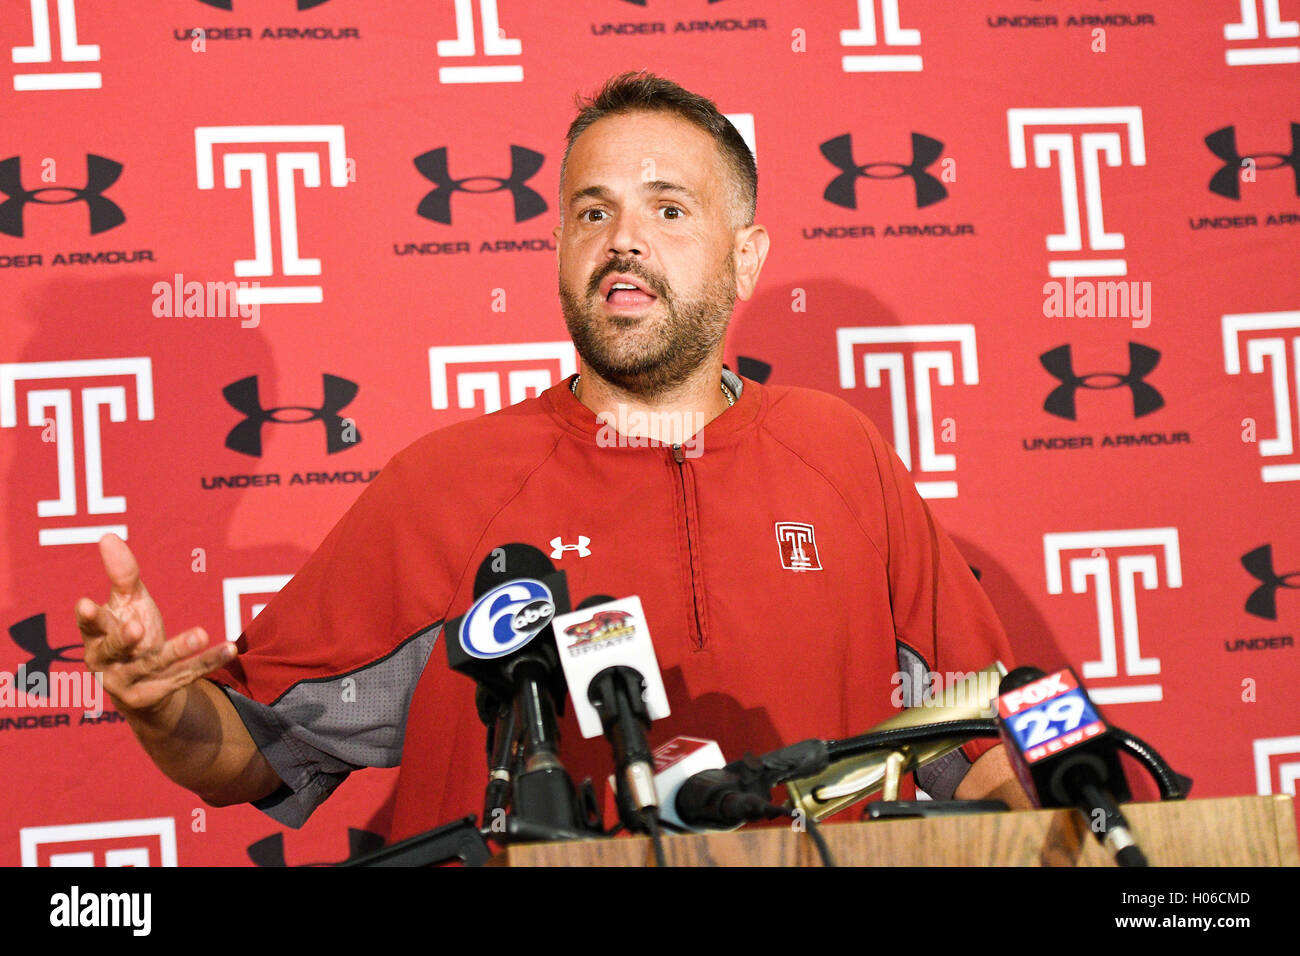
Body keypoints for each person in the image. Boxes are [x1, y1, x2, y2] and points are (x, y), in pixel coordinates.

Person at [76, 71, 1026, 847]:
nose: (623, 241)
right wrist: (163, 709)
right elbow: (256, 748)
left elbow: (972, 738)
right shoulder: (447, 486)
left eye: (667, 210)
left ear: (745, 258)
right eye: (591, 212)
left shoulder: (845, 456)